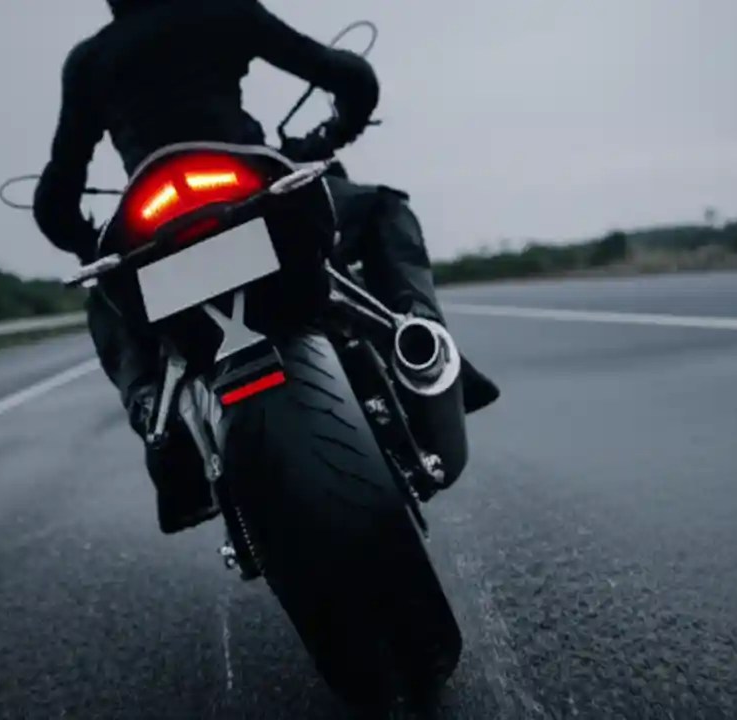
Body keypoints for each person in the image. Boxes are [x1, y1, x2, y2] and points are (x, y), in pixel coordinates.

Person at [32, 0, 497, 535]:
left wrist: (89, 243)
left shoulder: (89, 61)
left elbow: (55, 198)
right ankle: (417, 338)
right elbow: (350, 75)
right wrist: (331, 136)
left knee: (105, 295)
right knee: (383, 209)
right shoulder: (225, 10)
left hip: (157, 227)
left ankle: (151, 413)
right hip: (255, 198)